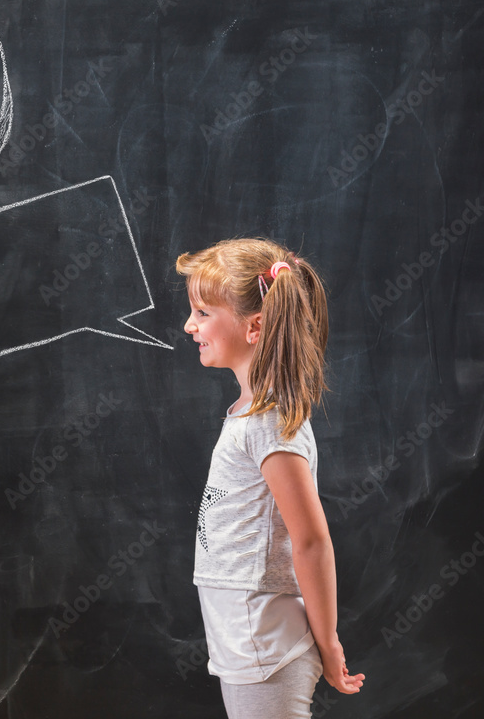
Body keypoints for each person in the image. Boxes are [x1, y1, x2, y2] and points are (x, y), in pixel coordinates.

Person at [176, 238, 364, 718]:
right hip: (246, 645)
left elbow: (312, 541)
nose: (189, 325)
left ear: (254, 326)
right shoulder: (249, 415)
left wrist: (329, 644)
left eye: (201, 312)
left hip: (264, 648)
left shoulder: (268, 424)